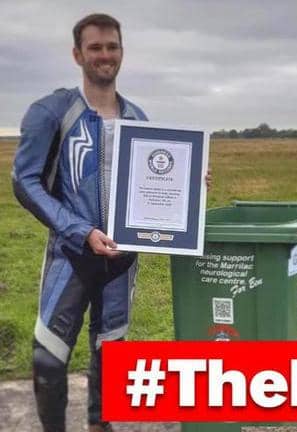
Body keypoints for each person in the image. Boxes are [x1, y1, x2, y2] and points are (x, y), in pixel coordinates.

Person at [12, 14, 147, 432]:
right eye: (95, 48)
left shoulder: (139, 118)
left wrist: (190, 182)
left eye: (112, 47)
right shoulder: (53, 111)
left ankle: (98, 424)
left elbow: (152, 183)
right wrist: (77, 229)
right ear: (78, 54)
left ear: (121, 52)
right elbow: (24, 179)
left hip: (121, 260)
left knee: (110, 353)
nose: (105, 55)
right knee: (48, 358)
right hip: (71, 253)